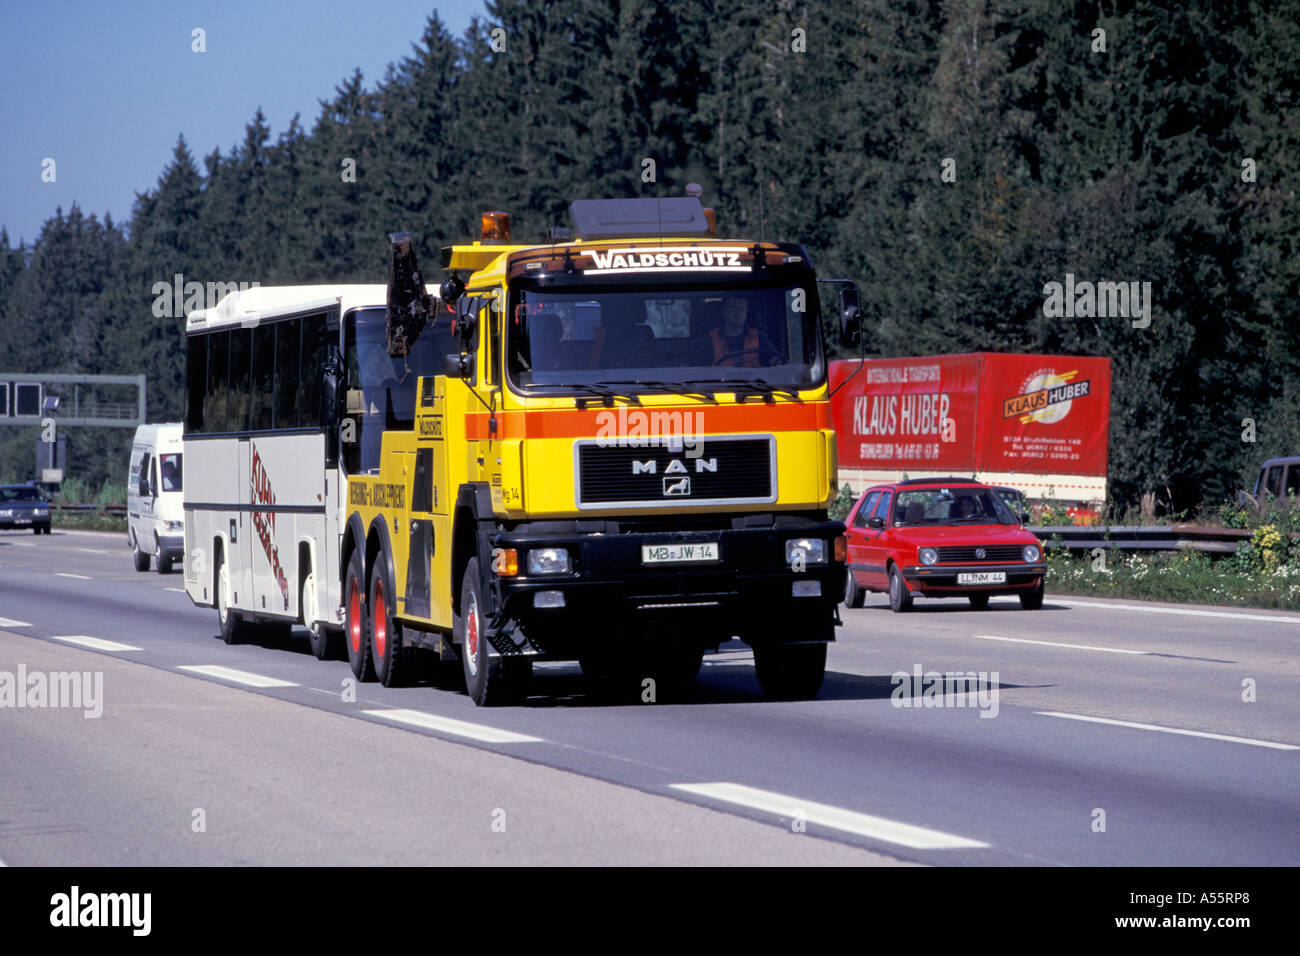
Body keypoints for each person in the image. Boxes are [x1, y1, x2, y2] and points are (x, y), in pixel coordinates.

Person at [709, 297, 776, 367]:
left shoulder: (758, 337)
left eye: (742, 308)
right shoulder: (710, 339)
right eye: (732, 307)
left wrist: (776, 361)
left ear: (747, 312)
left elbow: (773, 358)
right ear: (723, 311)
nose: (738, 312)